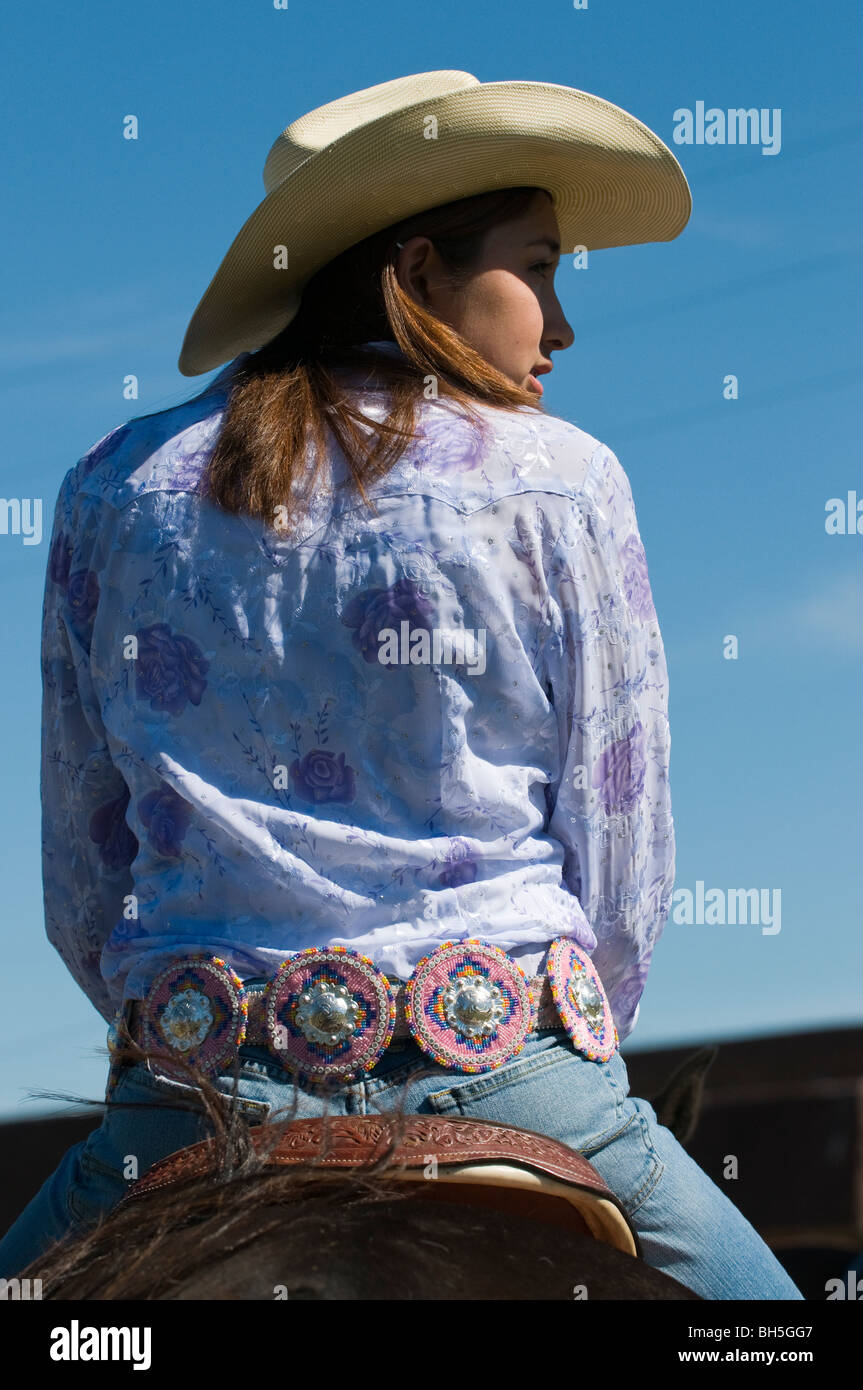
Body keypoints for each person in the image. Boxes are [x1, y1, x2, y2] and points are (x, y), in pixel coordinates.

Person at [0, 70, 803, 1299]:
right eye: (535, 269)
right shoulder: (561, 479)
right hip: (512, 1071)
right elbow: (620, 848)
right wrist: (566, 1047)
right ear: (419, 268)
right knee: (767, 1328)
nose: (560, 323)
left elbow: (81, 874)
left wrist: (193, 1023)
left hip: (193, 1091)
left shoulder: (111, 486)